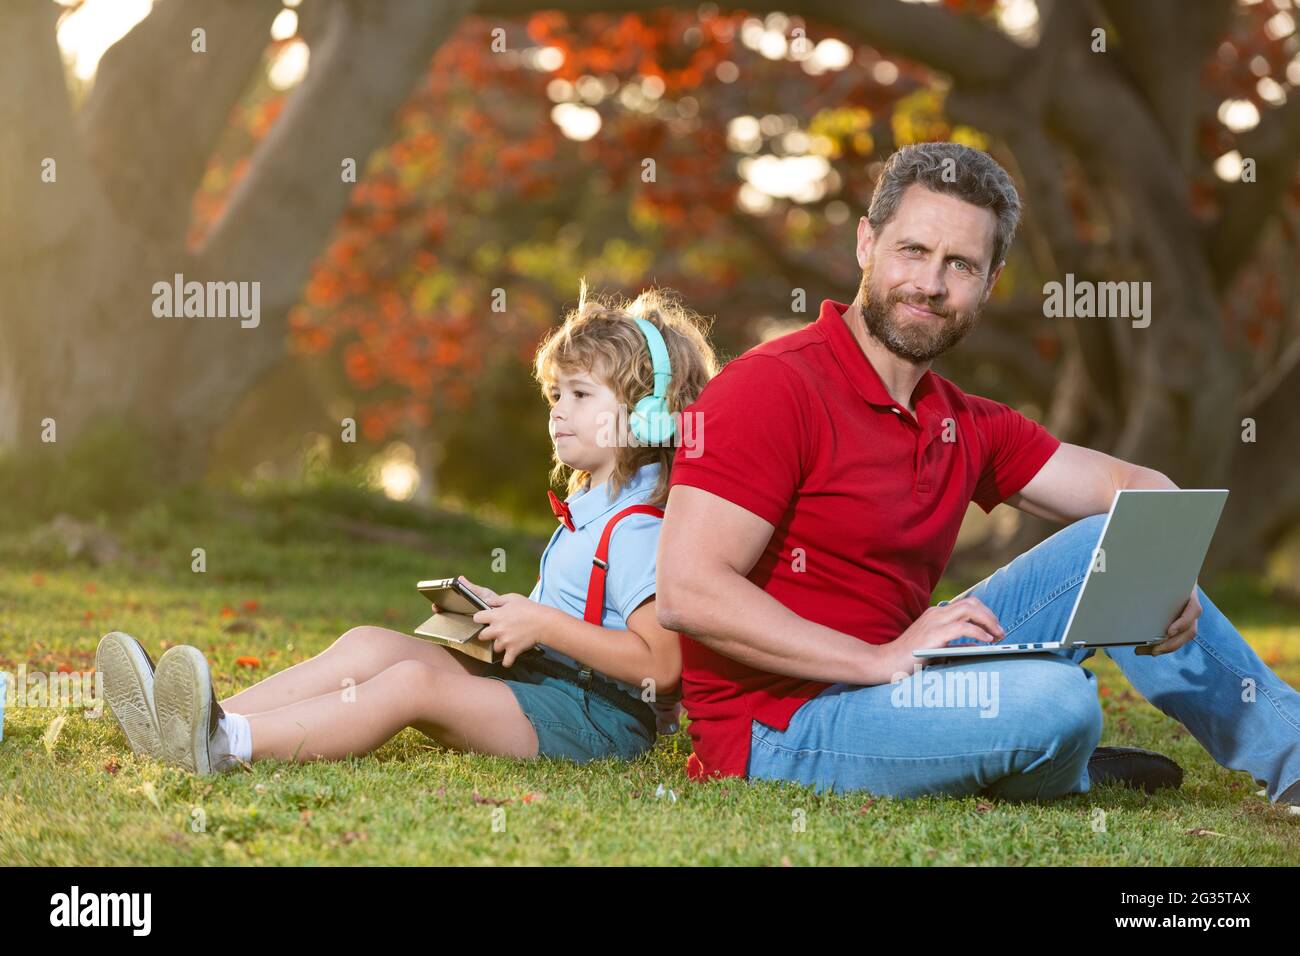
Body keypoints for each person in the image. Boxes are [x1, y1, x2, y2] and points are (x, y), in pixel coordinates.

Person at [655, 141, 1300, 806]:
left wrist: (1165, 572)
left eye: (960, 264)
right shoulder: (770, 387)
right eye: (912, 250)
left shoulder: (964, 420)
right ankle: (1034, 755)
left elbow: (1132, 485)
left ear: (989, 284)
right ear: (865, 245)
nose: (930, 284)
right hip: (783, 727)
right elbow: (688, 590)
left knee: (1113, 545)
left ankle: (1295, 759)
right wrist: (874, 661)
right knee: (1057, 702)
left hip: (905, 680)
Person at [96, 280, 719, 774]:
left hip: (593, 722)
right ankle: (198, 722)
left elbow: (661, 668)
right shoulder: (591, 509)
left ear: (646, 415)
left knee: (412, 684)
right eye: (556, 395)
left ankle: (231, 743)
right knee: (370, 642)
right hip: (545, 687)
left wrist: (543, 624)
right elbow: (574, 616)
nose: (558, 411)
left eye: (581, 396)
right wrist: (502, 614)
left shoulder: (637, 528)